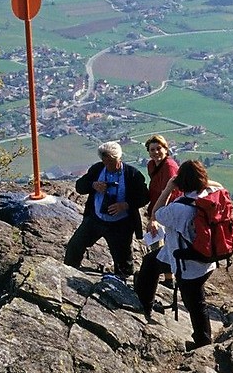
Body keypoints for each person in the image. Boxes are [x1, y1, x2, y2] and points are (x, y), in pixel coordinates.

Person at [142, 159, 222, 350]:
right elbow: (218, 184)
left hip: (187, 265)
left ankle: (203, 343)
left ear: (181, 183)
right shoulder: (212, 194)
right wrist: (202, 182)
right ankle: (146, 302)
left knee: (195, 304)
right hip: (207, 259)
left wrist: (168, 188)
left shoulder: (180, 208)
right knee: (151, 263)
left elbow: (156, 213)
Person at [64, 141, 148, 279]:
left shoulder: (132, 174)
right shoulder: (98, 169)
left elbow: (144, 197)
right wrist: (93, 185)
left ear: (119, 158)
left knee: (123, 262)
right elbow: (79, 187)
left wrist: (125, 205)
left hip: (120, 224)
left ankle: (122, 286)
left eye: (111, 161)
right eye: (105, 161)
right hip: (96, 220)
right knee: (75, 246)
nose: (108, 165)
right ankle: (68, 272)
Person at [144, 134, 180, 287]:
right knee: (155, 241)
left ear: (166, 149)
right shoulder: (151, 165)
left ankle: (169, 279)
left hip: (169, 210)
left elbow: (170, 191)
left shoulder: (170, 166)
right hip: (156, 207)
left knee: (168, 242)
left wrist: (155, 218)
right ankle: (161, 275)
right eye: (152, 150)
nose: (156, 152)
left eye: (159, 148)